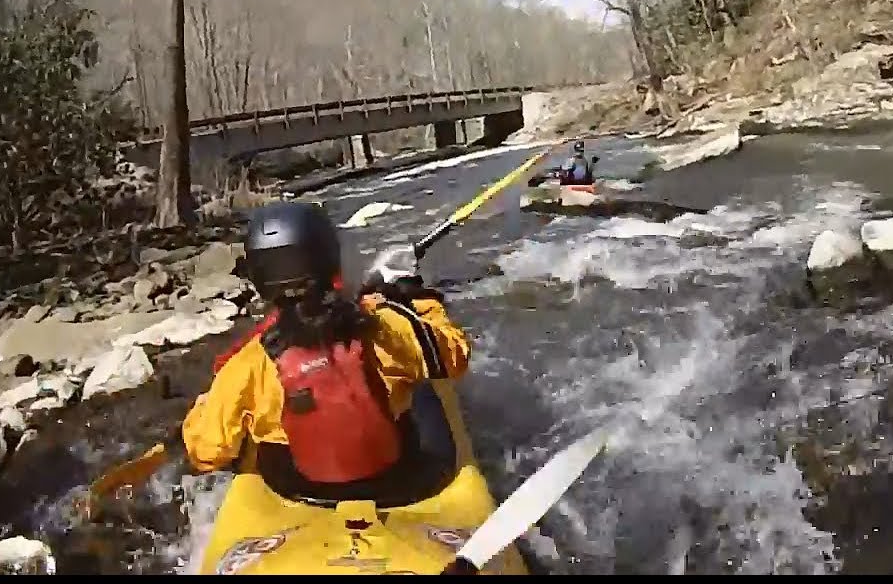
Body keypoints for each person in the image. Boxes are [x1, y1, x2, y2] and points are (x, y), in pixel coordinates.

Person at [181, 201, 472, 503]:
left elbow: (206, 453)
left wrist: (204, 407)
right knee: (425, 390)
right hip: (401, 482)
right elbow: (455, 358)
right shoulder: (386, 325)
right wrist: (413, 295)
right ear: (330, 259)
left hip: (301, 493)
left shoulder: (249, 362)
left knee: (257, 436)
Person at [528, 140, 598, 187]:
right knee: (554, 171)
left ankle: (537, 180)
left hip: (572, 181)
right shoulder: (582, 161)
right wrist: (593, 163)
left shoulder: (574, 160)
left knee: (553, 172)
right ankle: (538, 179)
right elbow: (588, 172)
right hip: (578, 181)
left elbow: (564, 171)